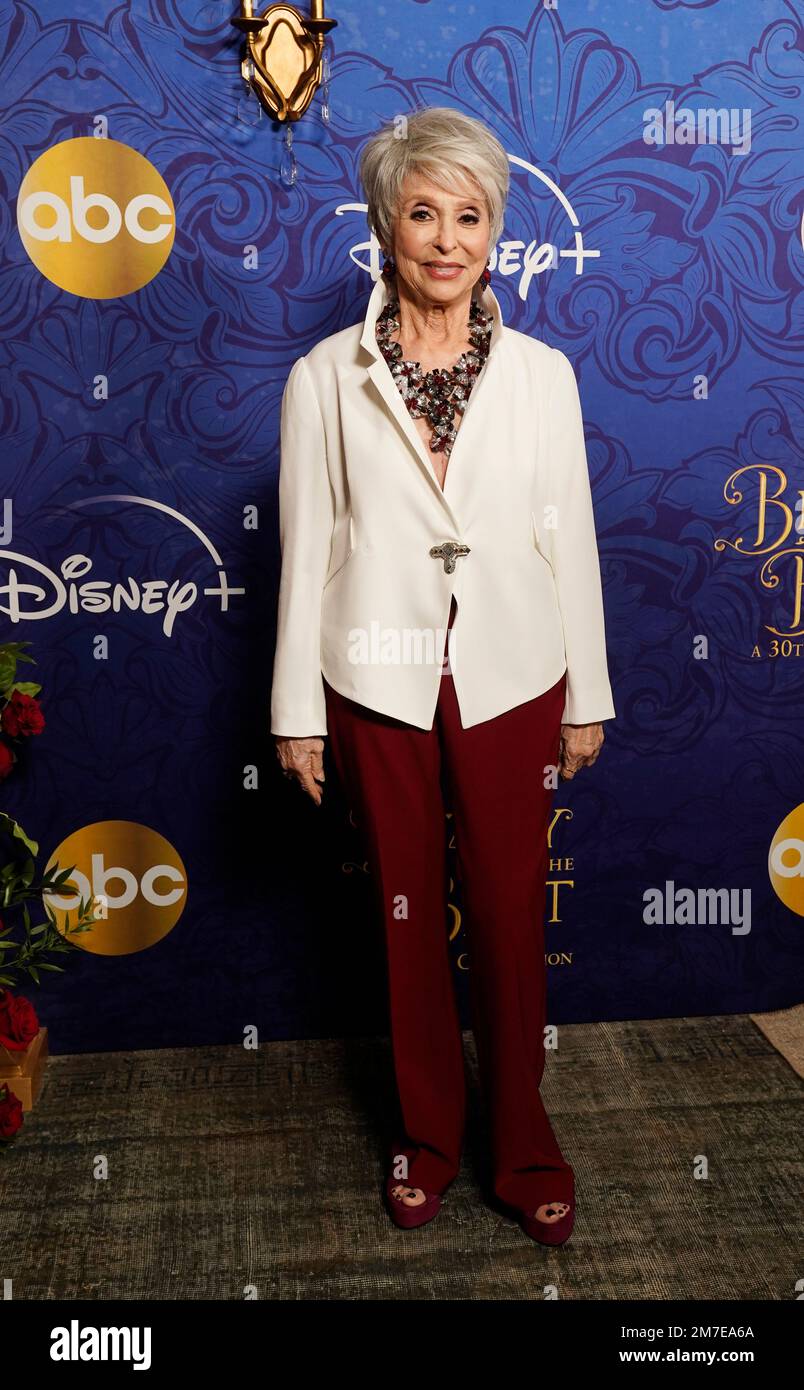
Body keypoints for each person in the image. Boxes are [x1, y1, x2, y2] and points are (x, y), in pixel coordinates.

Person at [270, 107, 615, 1246]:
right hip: (378, 676)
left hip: (513, 671)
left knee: (511, 914)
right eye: (424, 213)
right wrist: (296, 711)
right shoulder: (323, 378)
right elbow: (306, 551)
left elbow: (571, 541)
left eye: (470, 216)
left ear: (495, 233)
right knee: (402, 915)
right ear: (387, 226)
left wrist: (588, 693)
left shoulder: (544, 376)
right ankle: (425, 1138)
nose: (447, 239)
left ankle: (523, 1147)